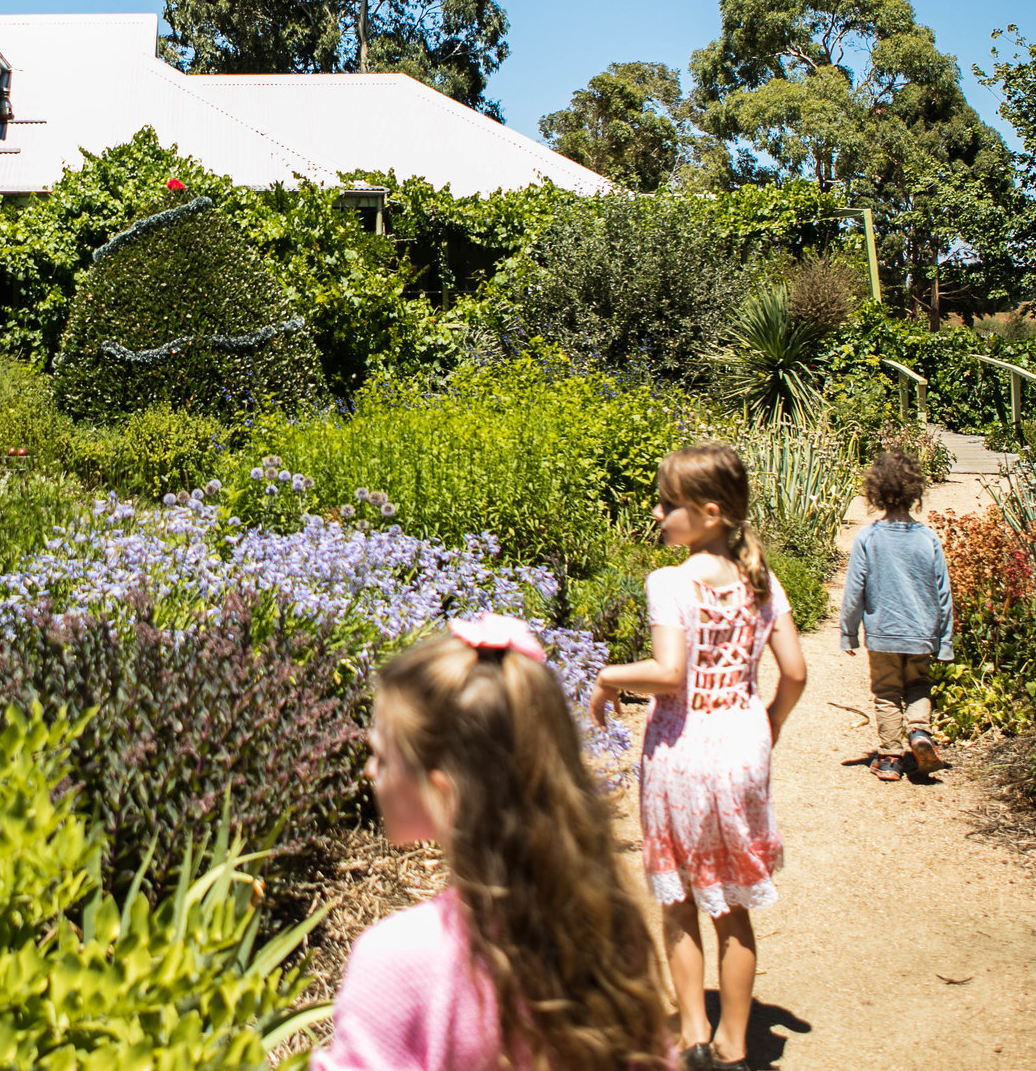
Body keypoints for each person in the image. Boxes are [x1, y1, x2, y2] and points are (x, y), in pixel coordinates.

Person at [314, 611, 671, 1071]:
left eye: (382, 757)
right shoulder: (606, 927)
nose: (369, 771)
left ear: (443, 794)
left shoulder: (399, 960)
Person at [588, 444, 806, 1071]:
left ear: (709, 513)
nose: (658, 514)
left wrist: (607, 676)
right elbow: (795, 673)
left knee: (680, 900)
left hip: (681, 754)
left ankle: (693, 1034)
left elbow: (668, 672)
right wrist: (768, 723)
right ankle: (736, 1045)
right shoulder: (762, 581)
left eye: (668, 504)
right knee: (733, 908)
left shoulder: (670, 582)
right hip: (742, 749)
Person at [840, 450, 954, 781]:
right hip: (922, 632)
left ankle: (890, 757)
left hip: (883, 633)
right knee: (918, 685)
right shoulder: (928, 538)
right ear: (915, 492)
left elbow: (854, 590)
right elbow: (943, 592)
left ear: (875, 493)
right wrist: (945, 639)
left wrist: (848, 632)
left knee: (887, 692)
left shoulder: (868, 537)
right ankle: (919, 733)